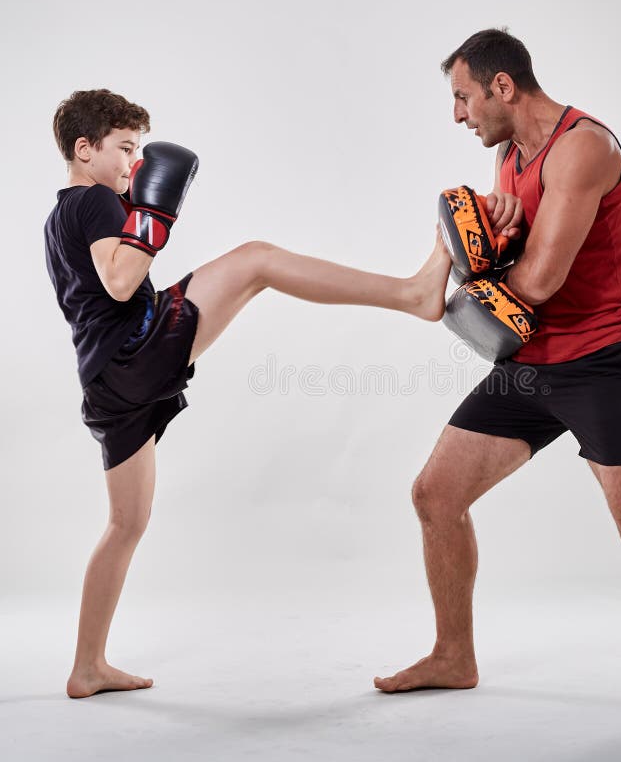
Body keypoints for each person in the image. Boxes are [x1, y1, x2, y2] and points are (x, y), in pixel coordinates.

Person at [373, 29, 621, 728]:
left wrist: (470, 265)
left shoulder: (586, 147)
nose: (459, 115)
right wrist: (496, 233)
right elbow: (515, 264)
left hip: (597, 363)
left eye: (463, 98)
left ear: (502, 87)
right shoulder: (509, 155)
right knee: (436, 494)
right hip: (528, 362)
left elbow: (541, 279)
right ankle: (454, 654)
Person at [44, 89, 456, 699]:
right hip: (134, 350)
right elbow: (122, 279)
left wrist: (137, 212)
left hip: (105, 381)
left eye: (137, 151)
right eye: (125, 149)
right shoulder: (97, 200)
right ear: (84, 150)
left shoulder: (59, 215)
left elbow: (97, 287)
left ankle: (87, 666)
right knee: (258, 259)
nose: (134, 164)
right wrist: (153, 213)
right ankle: (411, 294)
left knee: (126, 523)